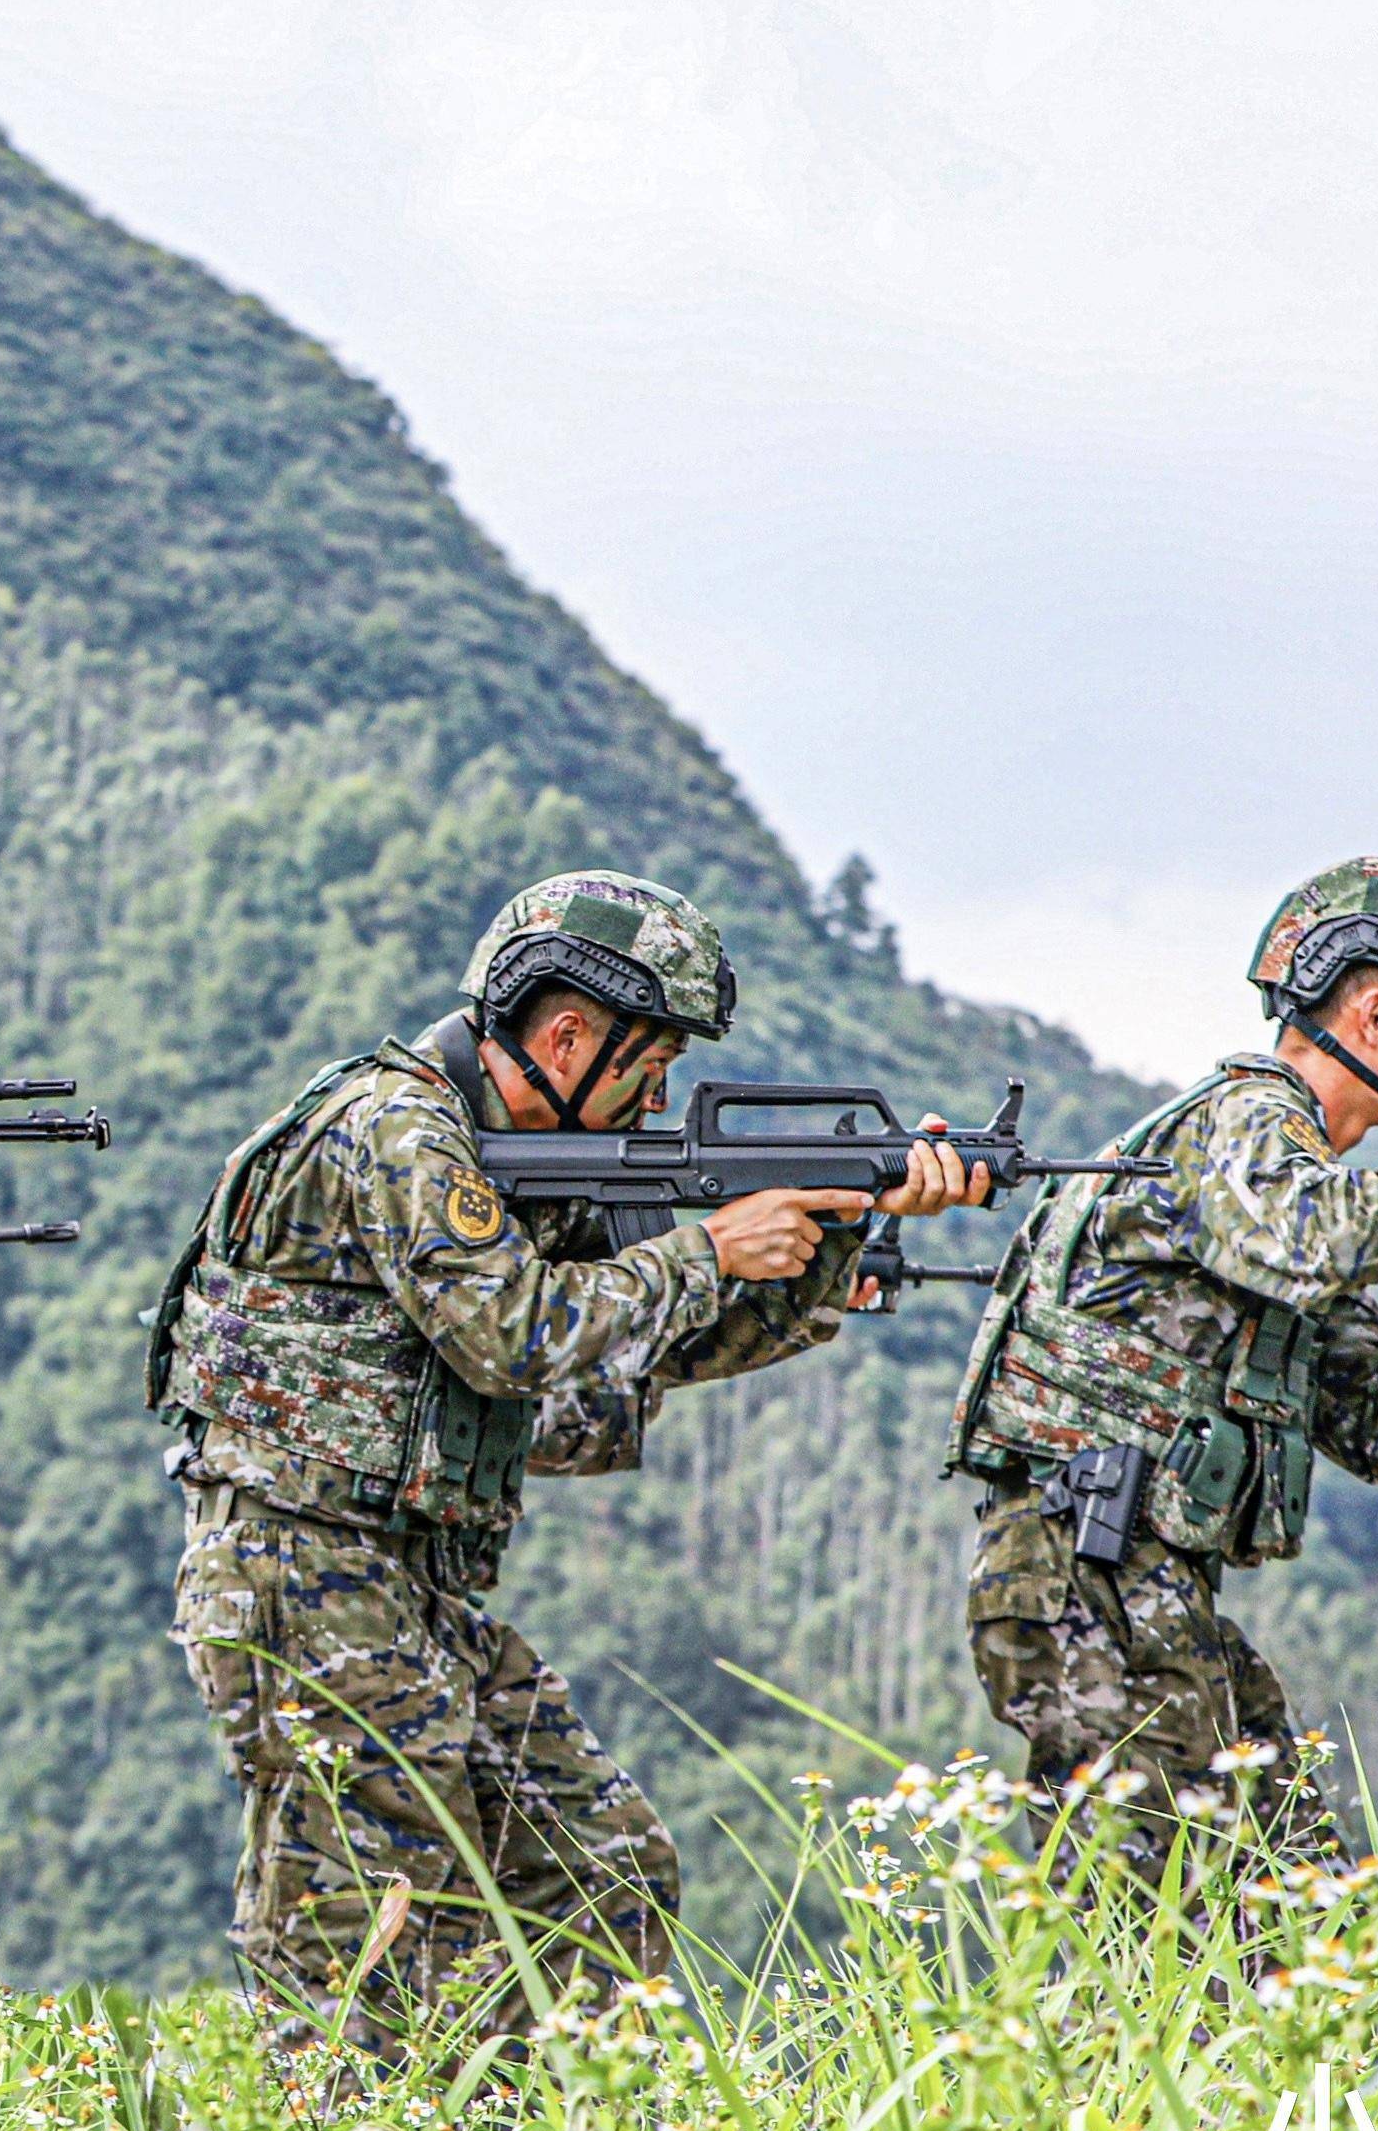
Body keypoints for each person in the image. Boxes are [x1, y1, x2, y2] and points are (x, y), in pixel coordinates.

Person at [153, 870, 985, 2048]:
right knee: (370, 1941)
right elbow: (515, 1333)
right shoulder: (396, 1128)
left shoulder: (498, 1153)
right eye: (647, 1067)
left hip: (409, 1585)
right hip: (303, 1572)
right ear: (561, 1033)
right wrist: (707, 1250)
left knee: (598, 1868)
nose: (658, 1101)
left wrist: (826, 1239)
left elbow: (635, 1348)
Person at [949, 858, 1378, 1868]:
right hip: (1086, 1578)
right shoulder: (1245, 1129)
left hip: (1142, 1585)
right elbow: (1307, 1237)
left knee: (1298, 1917)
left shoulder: (1279, 1189)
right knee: (1163, 1934)